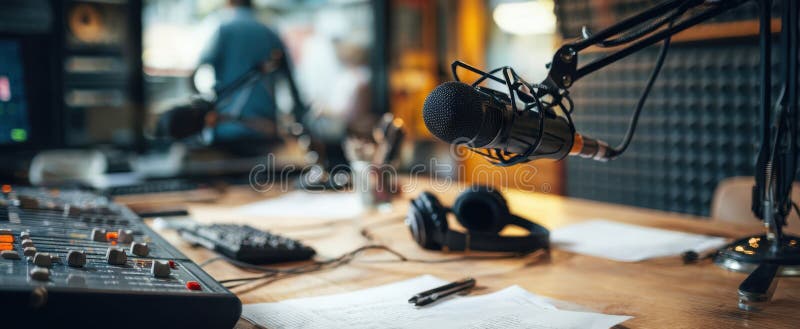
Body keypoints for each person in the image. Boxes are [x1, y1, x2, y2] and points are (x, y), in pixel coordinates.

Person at [197, 0, 304, 148]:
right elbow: (291, 84)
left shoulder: (223, 31)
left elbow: (199, 70)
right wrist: (300, 119)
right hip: (265, 131)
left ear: (230, 3)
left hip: (226, 131)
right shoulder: (270, 33)